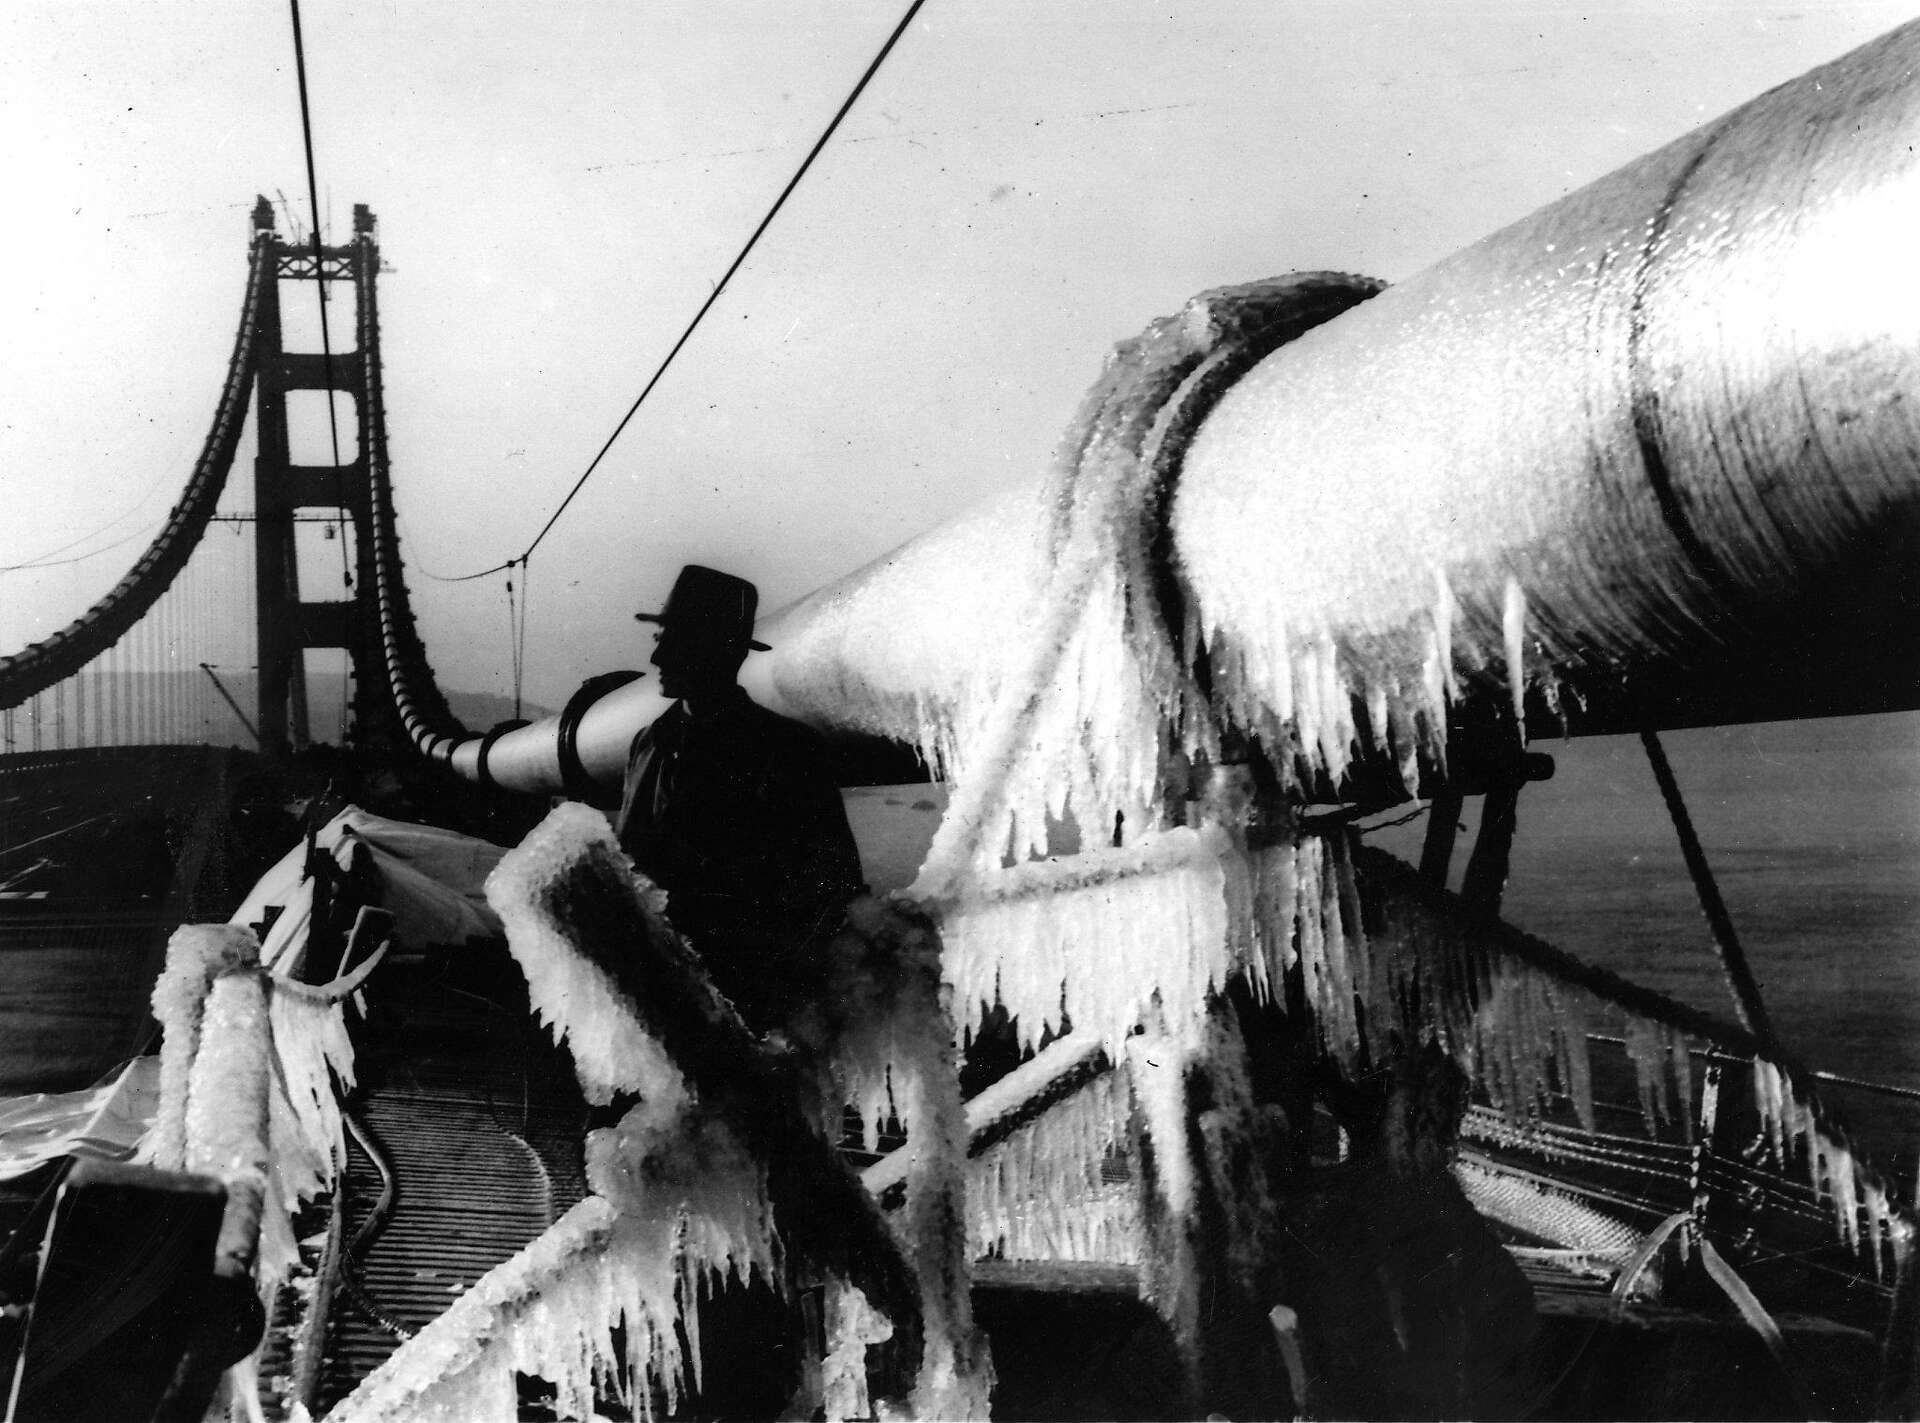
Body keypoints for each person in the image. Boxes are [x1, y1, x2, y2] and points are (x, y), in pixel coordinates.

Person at [614, 564, 865, 1034]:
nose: (659, 656)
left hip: (743, 1013)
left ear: (720, 650)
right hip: (649, 1007)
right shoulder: (645, 746)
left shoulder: (788, 751)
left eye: (677, 639)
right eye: (661, 638)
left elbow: (833, 887)